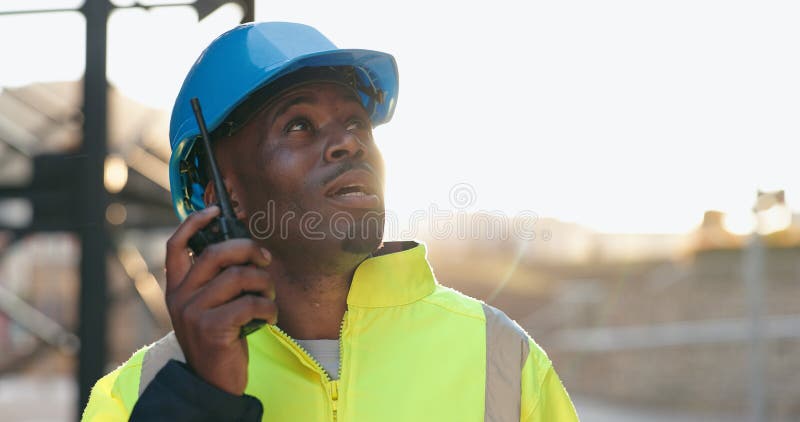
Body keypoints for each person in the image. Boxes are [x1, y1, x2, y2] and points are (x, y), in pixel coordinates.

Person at [82, 22, 579, 421]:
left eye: (357, 123)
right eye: (298, 125)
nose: (350, 143)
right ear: (222, 193)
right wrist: (199, 401)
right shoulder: (135, 398)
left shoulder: (500, 356)